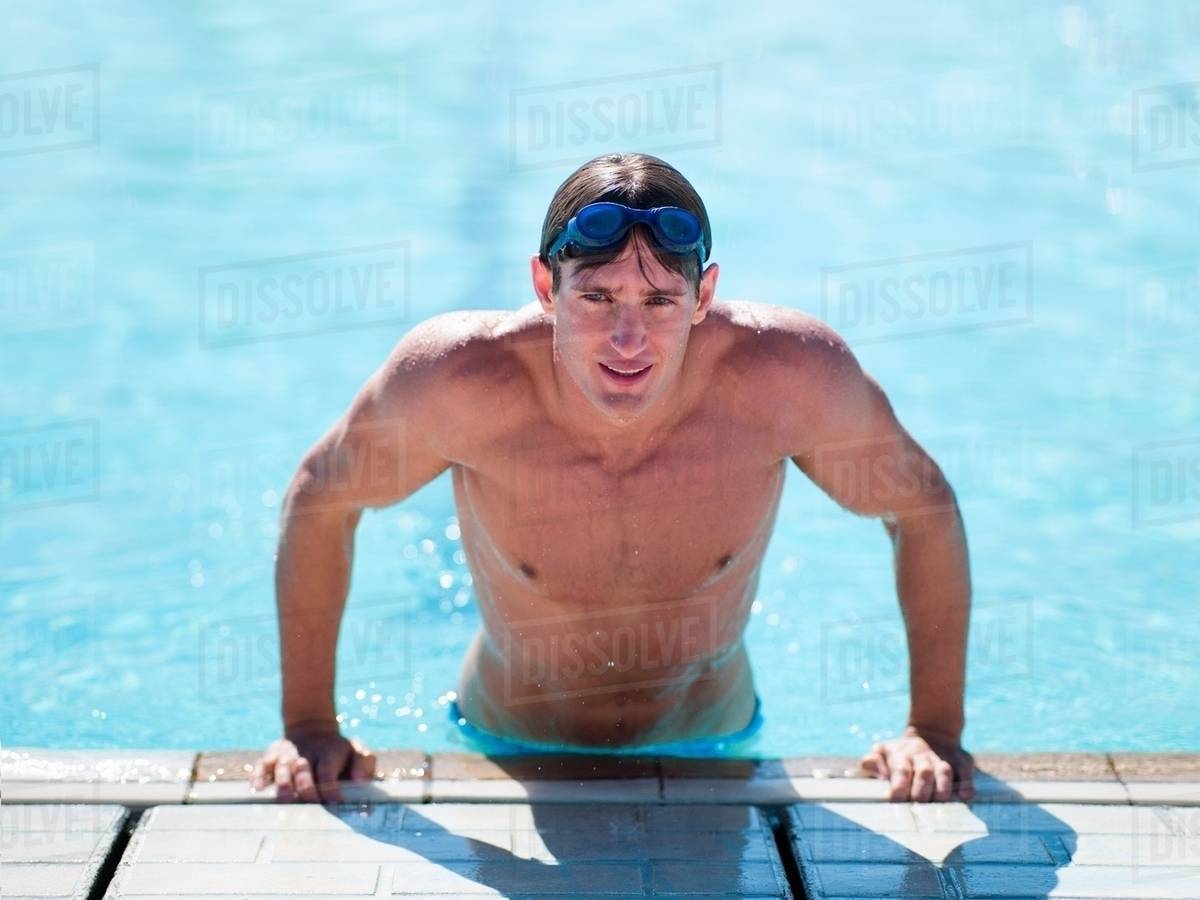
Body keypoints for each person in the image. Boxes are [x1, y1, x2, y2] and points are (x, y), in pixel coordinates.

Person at [251, 152, 975, 804]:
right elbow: (322, 495)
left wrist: (932, 730)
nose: (628, 341)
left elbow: (923, 508)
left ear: (702, 296)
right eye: (597, 299)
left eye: (659, 302)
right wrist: (309, 723)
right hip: (507, 747)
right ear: (545, 286)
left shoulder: (787, 379)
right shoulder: (460, 383)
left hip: (713, 746)